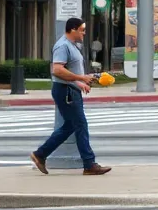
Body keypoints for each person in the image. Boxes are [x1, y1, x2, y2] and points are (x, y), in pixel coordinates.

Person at [30, 17, 111, 176]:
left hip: (70, 89)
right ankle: (89, 164)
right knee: (80, 125)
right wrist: (81, 79)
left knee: (70, 126)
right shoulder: (63, 46)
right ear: (72, 29)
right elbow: (57, 70)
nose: (84, 33)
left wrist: (80, 83)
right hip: (65, 92)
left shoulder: (73, 46)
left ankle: (40, 154)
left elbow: (68, 72)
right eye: (82, 29)